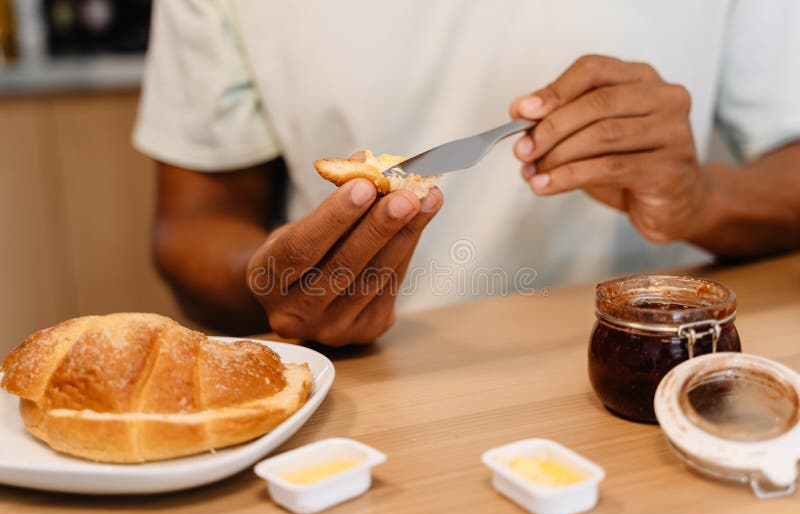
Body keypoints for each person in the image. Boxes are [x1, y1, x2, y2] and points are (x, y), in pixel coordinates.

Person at [134, 1, 800, 346]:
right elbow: (191, 224)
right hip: (367, 414)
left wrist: (703, 200)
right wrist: (281, 284)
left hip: (661, 378)